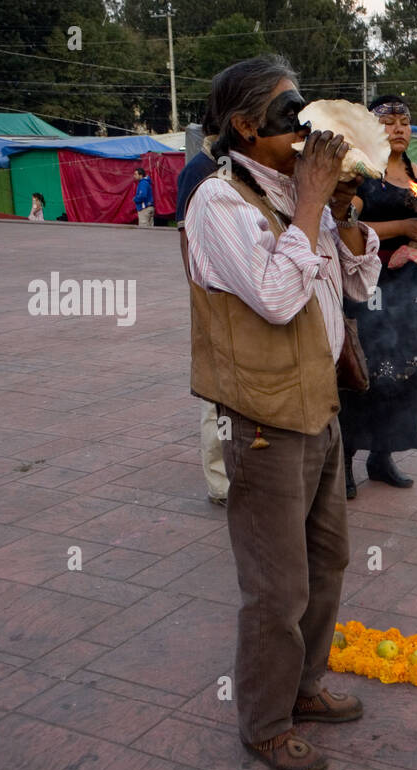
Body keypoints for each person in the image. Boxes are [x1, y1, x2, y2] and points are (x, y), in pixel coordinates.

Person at [184, 55, 382, 770]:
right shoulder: (220, 203)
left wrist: (340, 216)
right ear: (243, 125)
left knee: (326, 561)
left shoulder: (296, 192)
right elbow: (274, 295)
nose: (304, 126)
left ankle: (303, 688)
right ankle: (265, 722)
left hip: (318, 408)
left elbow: (353, 282)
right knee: (278, 585)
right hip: (265, 421)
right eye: (286, 112)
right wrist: (310, 206)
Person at [339, 94, 417, 498]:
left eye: (404, 120)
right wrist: (400, 226)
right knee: (362, 370)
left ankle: (381, 456)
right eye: (388, 121)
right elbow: (346, 225)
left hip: (409, 287)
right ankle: (345, 459)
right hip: (369, 284)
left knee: (402, 371)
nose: (398, 127)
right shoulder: (361, 174)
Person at [176, 113, 227, 506]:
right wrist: (200, 296)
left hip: (240, 296)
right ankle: (220, 484)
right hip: (212, 296)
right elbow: (186, 240)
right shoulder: (199, 170)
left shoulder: (234, 166)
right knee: (215, 394)